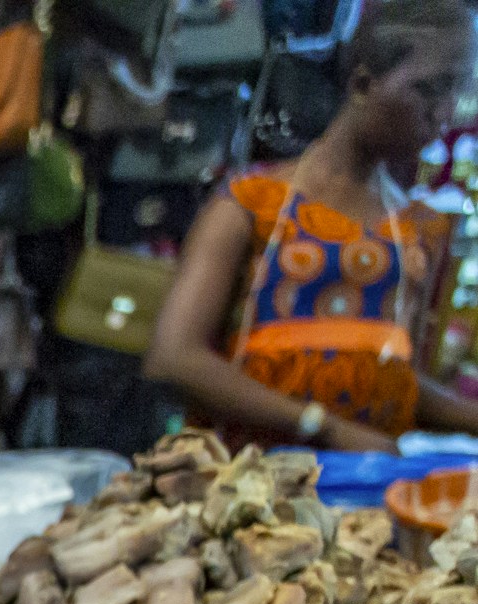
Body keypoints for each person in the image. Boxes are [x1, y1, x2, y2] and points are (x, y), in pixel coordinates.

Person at [144, 0, 478, 452]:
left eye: (453, 93)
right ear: (362, 84)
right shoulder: (250, 202)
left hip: (367, 496)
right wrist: (324, 426)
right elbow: (172, 358)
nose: (442, 113)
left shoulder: (415, 228)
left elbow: (390, 375)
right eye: (428, 90)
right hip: (247, 485)